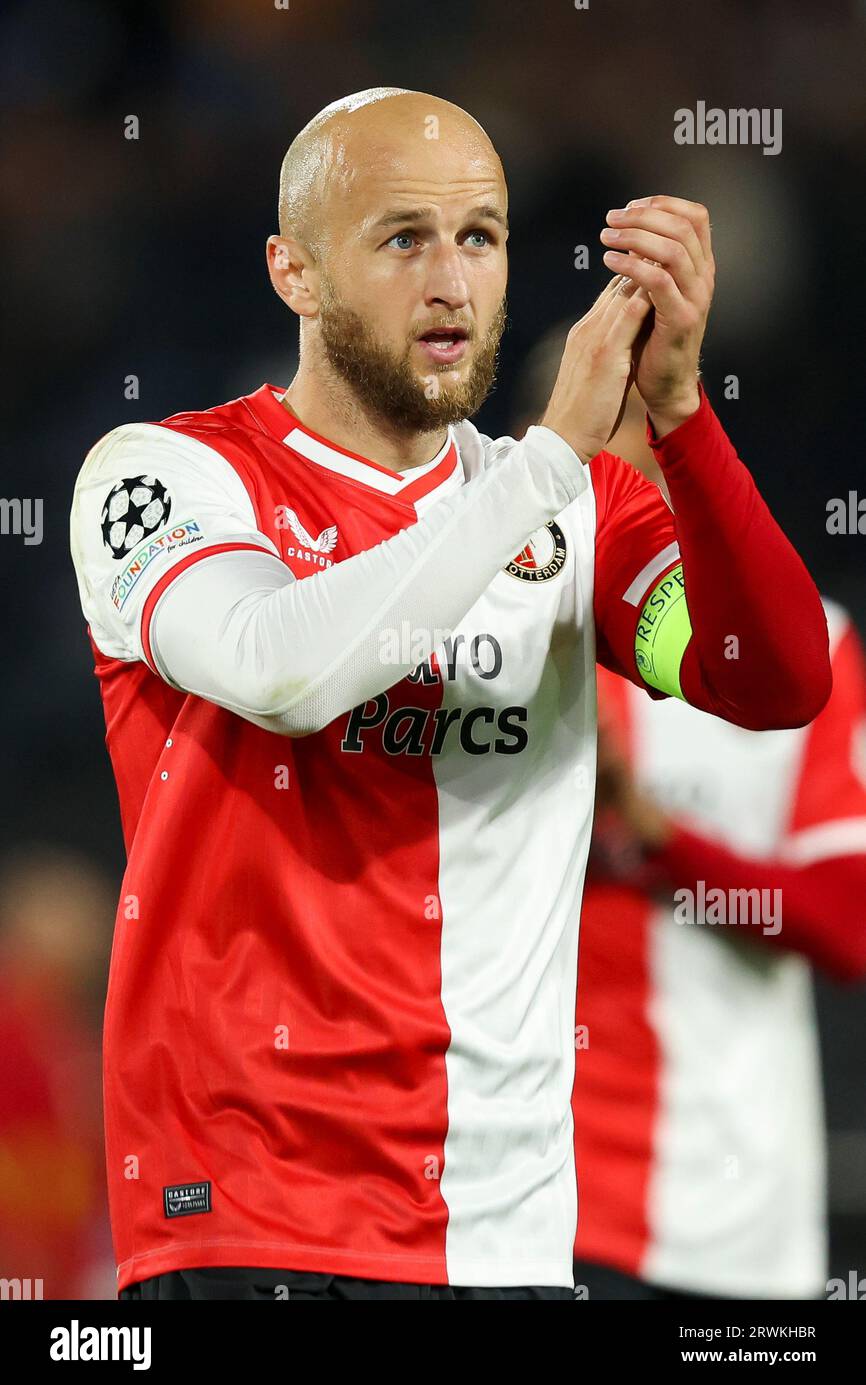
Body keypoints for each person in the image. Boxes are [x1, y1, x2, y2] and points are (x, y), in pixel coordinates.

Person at [69, 87, 830, 1301]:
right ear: (294, 272)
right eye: (400, 237)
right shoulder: (165, 475)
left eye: (478, 236)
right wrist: (544, 461)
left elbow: (777, 679)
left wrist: (680, 419)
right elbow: (280, 668)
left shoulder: (573, 510)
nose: (450, 282)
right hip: (250, 1221)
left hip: (505, 1233)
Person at [566, 393, 866, 1300]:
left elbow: (850, 922)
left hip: (744, 1222)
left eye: (627, 419)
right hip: (550, 1204)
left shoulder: (801, 649)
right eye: (579, 426)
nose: (610, 459)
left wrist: (657, 842)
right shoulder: (517, 647)